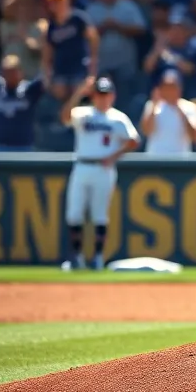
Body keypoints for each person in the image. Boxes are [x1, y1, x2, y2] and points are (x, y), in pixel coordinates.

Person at [60, 76, 138, 270]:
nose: (103, 98)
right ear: (93, 95)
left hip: (103, 168)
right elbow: (65, 117)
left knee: (99, 215)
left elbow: (133, 141)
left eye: (106, 94)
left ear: (113, 96)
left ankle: (97, 258)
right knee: (74, 214)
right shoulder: (83, 113)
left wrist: (113, 156)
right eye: (99, 94)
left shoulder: (118, 118)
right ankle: (77, 258)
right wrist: (79, 92)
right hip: (82, 164)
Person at [42, 0, 98, 99]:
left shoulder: (78, 19)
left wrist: (92, 64)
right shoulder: (51, 26)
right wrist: (46, 74)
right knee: (59, 96)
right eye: (53, 2)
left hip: (79, 67)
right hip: (60, 70)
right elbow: (48, 51)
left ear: (67, 0)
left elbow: (93, 38)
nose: (56, 5)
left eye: (59, 1)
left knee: (78, 97)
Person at [140, 69, 196, 155]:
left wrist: (179, 110)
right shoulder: (151, 105)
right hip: (155, 158)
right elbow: (146, 131)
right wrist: (154, 106)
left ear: (180, 89)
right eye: (166, 87)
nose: (169, 91)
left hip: (180, 159)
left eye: (172, 87)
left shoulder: (190, 107)